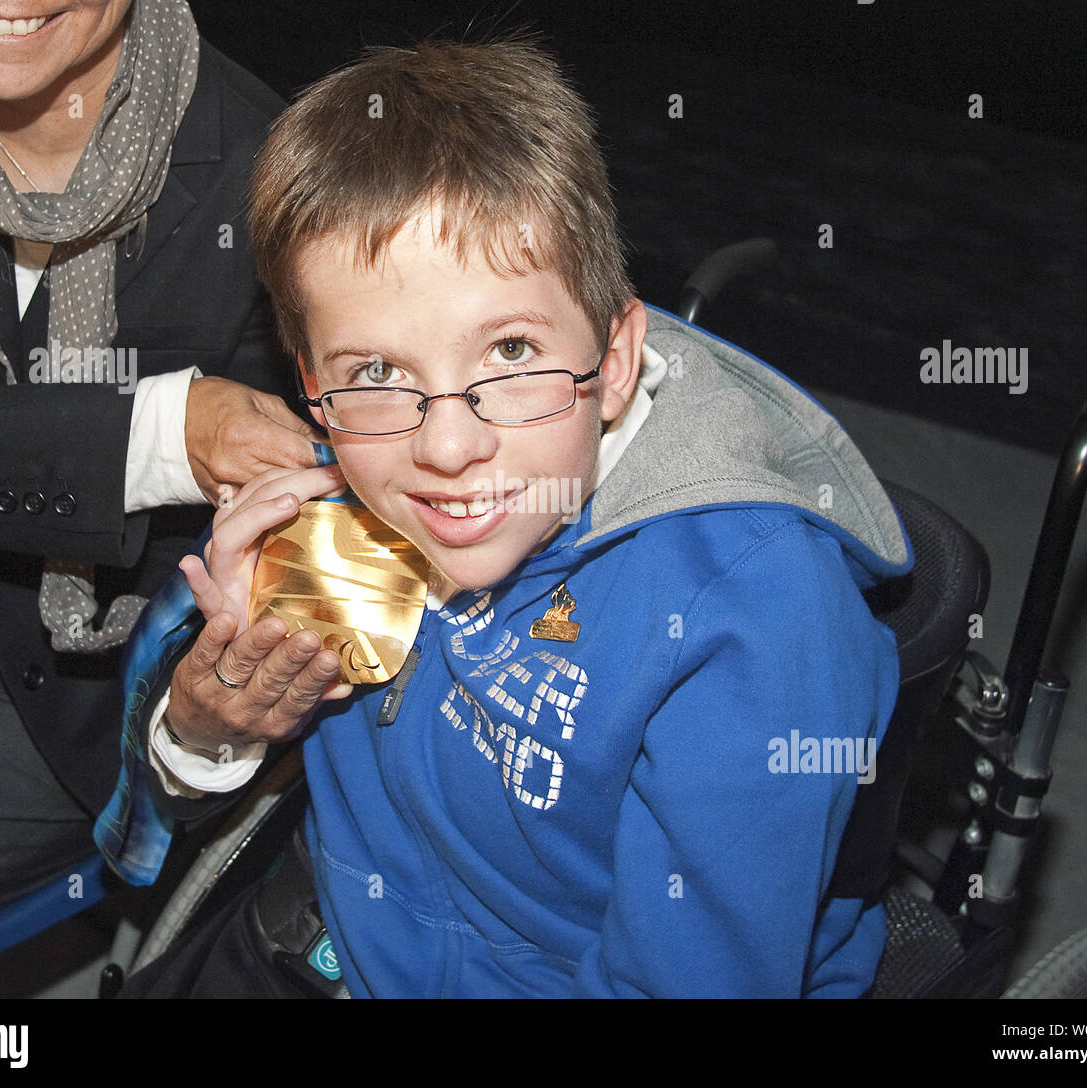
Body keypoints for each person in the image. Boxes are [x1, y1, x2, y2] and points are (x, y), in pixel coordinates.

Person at [105, 37, 912, 997]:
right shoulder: (337, 492)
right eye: (376, 372)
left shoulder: (752, 616)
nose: (446, 447)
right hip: (334, 941)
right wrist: (206, 725)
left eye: (511, 351)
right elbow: (168, 788)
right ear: (312, 386)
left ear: (613, 358)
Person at [0, 0, 333, 966]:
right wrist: (157, 430)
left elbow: (311, 537)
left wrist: (207, 727)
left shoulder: (277, 180)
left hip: (53, 696)